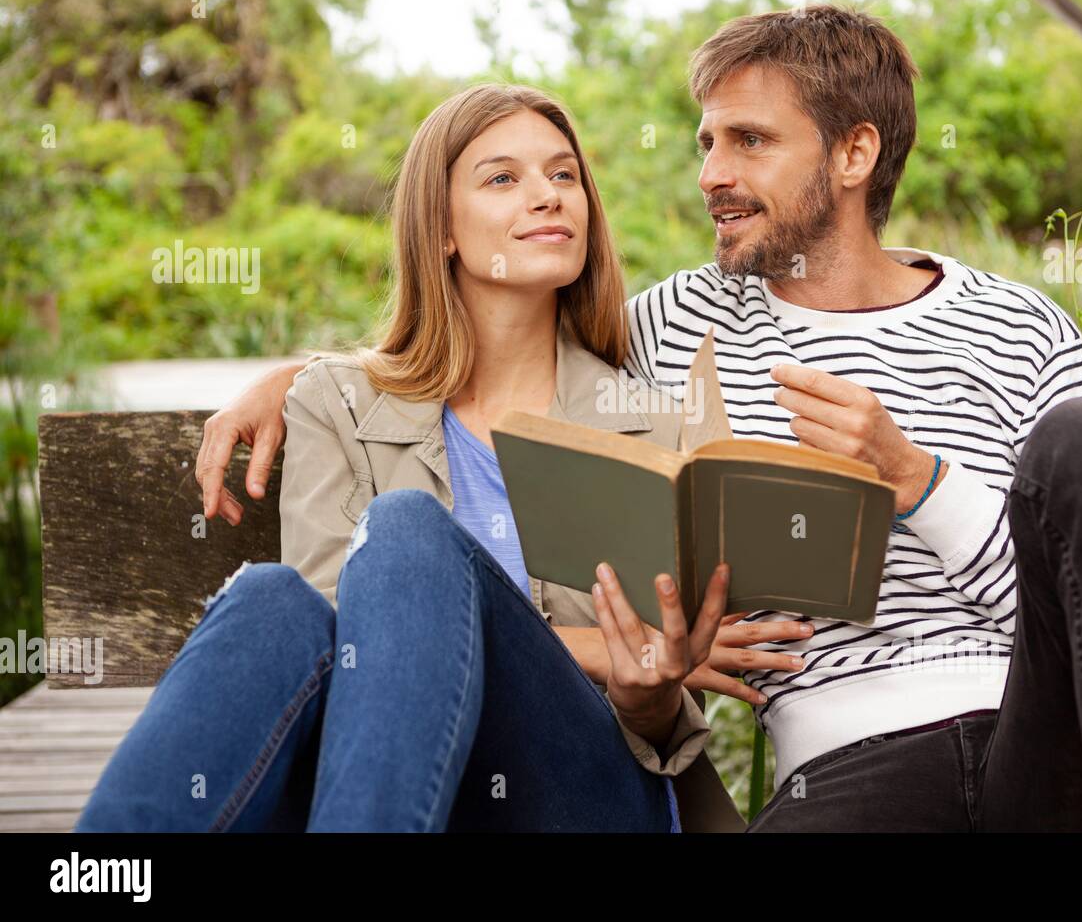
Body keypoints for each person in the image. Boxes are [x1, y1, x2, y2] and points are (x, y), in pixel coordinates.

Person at [194, 6, 1082, 832]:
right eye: (705, 141)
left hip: (1052, 739)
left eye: (747, 143)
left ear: (851, 156)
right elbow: (487, 334)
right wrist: (306, 376)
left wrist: (919, 483)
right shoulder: (673, 328)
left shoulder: (1018, 326)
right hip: (845, 764)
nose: (710, 174)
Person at [75, 83, 773, 833]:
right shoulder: (337, 403)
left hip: (579, 792)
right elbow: (335, 643)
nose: (547, 196)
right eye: (504, 178)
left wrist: (642, 684)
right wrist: (601, 645)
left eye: (564, 174)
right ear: (440, 227)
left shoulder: (653, 427)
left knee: (406, 527)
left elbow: (666, 716)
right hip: (386, 779)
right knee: (269, 601)